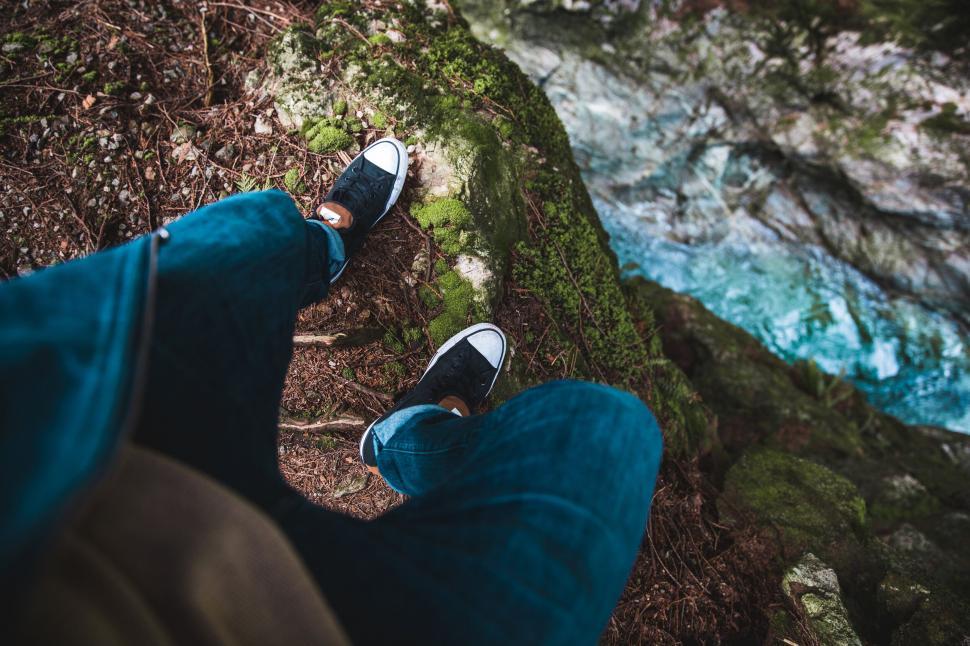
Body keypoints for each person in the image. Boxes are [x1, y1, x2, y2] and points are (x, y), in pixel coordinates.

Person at [0, 136, 663, 645]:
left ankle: (325, 245)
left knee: (248, 232)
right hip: (302, 618)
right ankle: (414, 437)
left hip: (74, 422)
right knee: (606, 429)